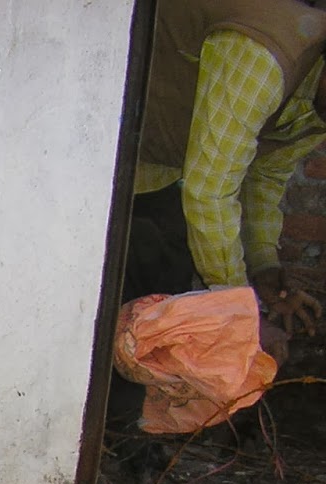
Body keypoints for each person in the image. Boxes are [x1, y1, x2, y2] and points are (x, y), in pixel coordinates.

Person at [130, 0, 326, 365]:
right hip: (90, 137)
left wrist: (264, 268)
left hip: (154, 165)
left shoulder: (318, 98)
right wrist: (241, 314)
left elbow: (265, 174)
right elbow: (209, 192)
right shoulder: (264, 54)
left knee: (158, 309)